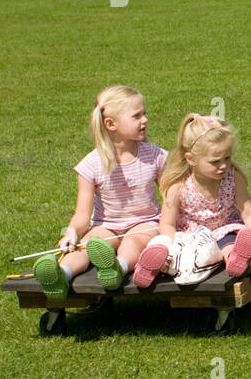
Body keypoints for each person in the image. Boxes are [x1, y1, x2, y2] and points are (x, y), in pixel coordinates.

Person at [34, 85, 167, 303]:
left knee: (132, 243)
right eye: (137, 116)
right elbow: (82, 214)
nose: (145, 120)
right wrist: (72, 232)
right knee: (86, 247)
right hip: (106, 225)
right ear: (110, 124)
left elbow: (169, 198)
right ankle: (61, 276)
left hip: (146, 222)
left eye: (144, 114)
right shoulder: (92, 164)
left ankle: (118, 269)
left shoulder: (154, 155)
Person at [133, 113, 251, 287]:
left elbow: (249, 213)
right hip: (189, 237)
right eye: (215, 162)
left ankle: (236, 259)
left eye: (227, 158)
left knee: (230, 242)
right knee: (166, 248)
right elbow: (167, 224)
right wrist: (171, 244)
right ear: (191, 159)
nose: (223, 166)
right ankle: (149, 267)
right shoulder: (178, 185)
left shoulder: (232, 177)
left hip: (223, 231)